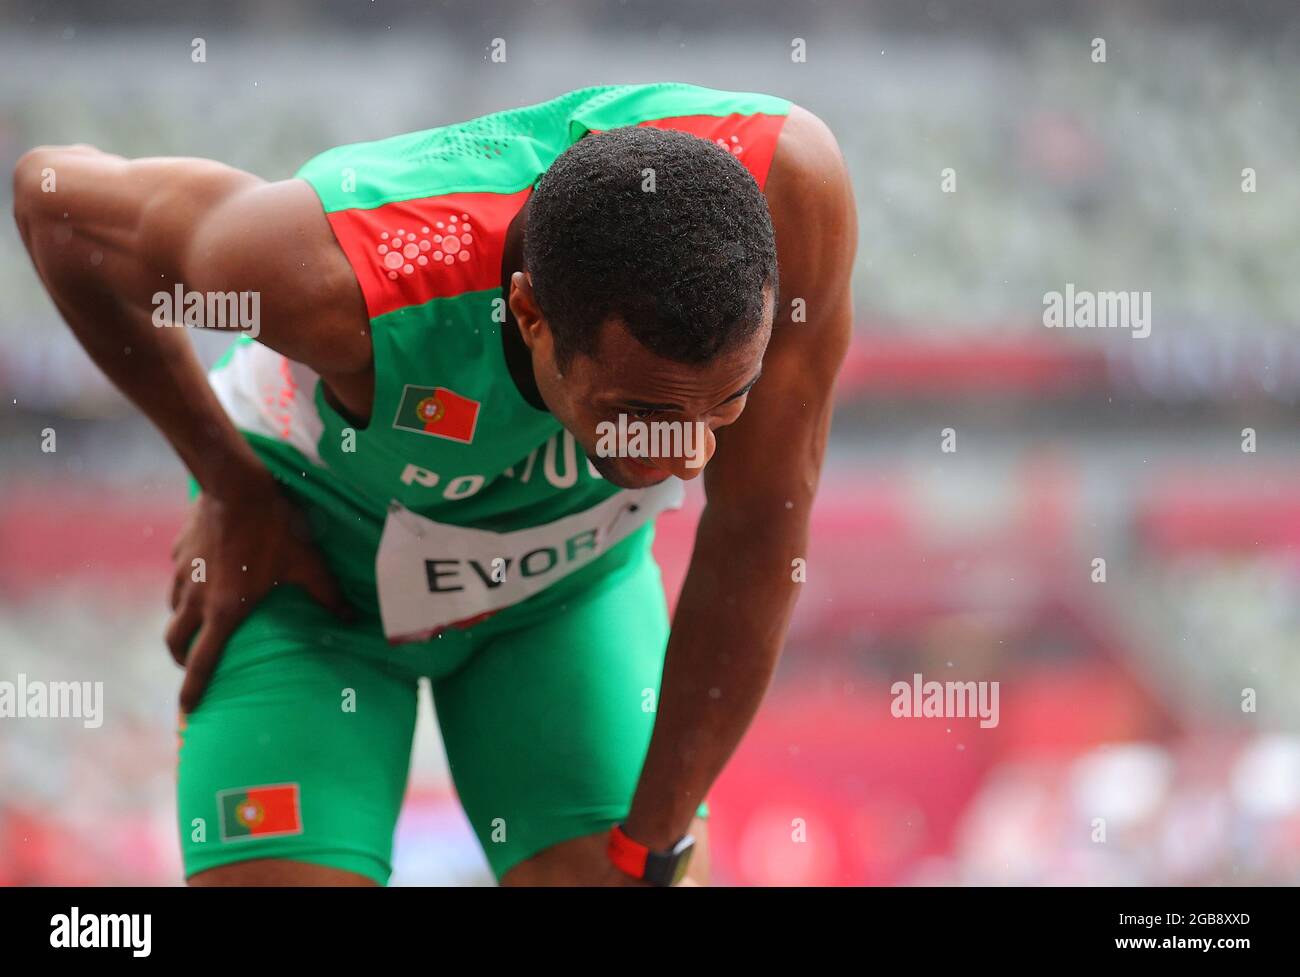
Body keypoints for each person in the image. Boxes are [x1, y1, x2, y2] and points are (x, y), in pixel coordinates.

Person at [13, 82, 857, 886]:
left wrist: (652, 847)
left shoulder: (792, 200)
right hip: (310, 569)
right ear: (529, 317)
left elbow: (756, 532)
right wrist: (228, 481)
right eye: (641, 412)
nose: (688, 459)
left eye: (725, 406)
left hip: (562, 589)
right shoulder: (313, 274)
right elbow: (49, 201)